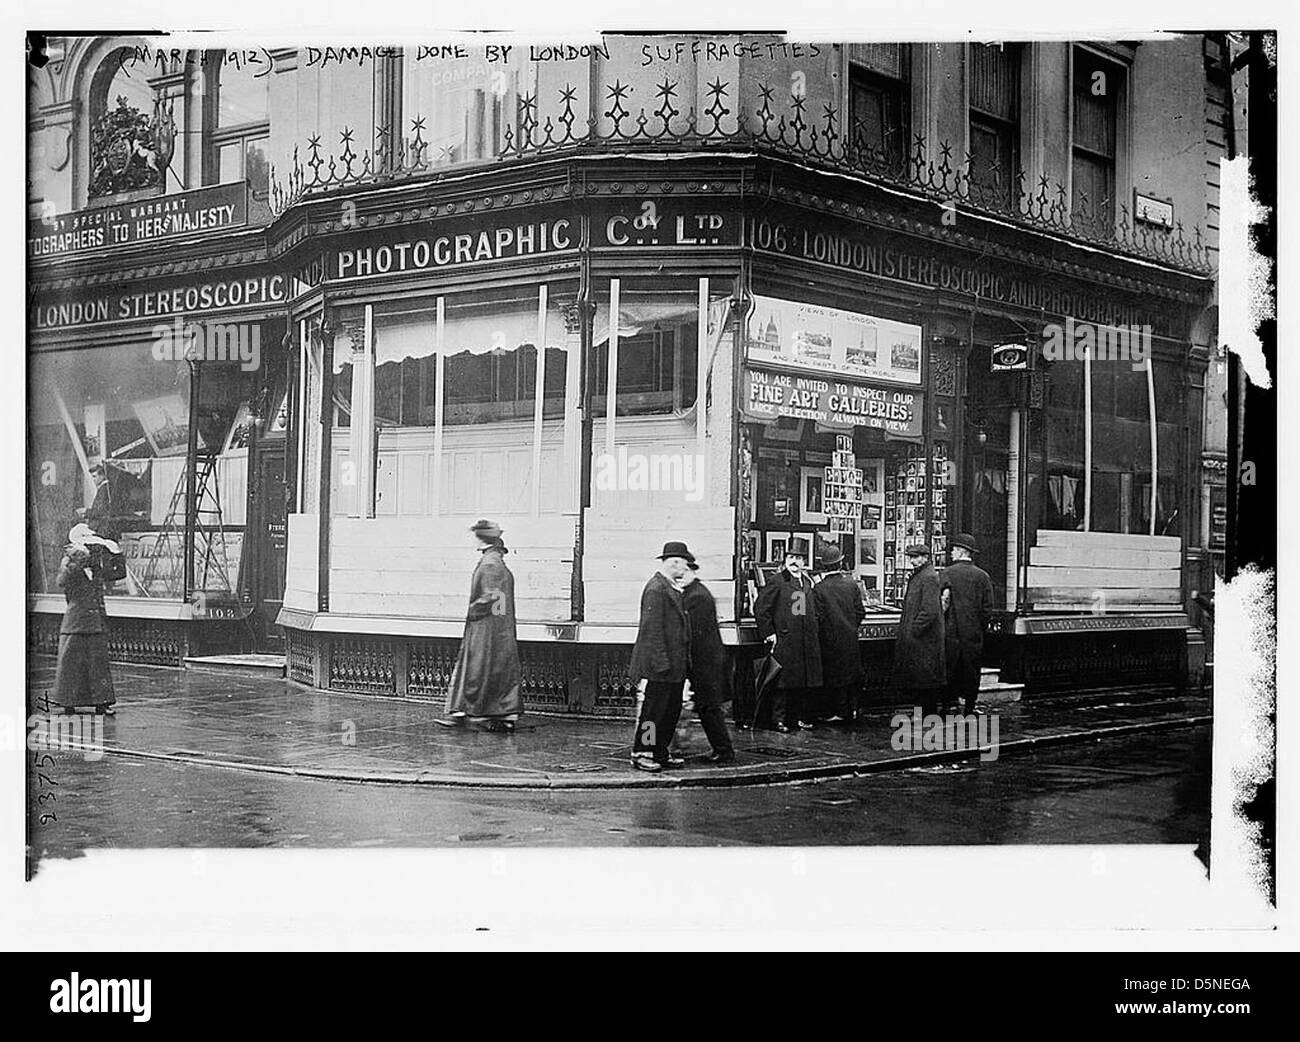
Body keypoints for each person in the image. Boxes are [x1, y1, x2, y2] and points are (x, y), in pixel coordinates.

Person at [442, 520, 523, 732]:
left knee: (478, 667)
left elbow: (492, 597)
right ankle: (494, 712)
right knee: (491, 667)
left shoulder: (490, 564)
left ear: (483, 540)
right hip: (497, 626)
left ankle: (468, 710)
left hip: (488, 627)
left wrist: (474, 611)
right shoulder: (495, 561)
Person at [628, 542, 694, 772]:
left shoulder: (670, 587)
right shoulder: (656, 589)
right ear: (673, 562)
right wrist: (661, 663)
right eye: (683, 565)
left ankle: (659, 751)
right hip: (661, 667)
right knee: (653, 712)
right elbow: (652, 630)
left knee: (669, 712)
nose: (685, 570)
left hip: (674, 666)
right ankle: (642, 752)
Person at [51, 524, 117, 716]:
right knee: (71, 665)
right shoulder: (70, 561)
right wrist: (77, 557)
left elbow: (117, 574)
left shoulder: (95, 566)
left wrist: (116, 553)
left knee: (98, 666)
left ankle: (102, 703)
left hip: (94, 622)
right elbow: (62, 581)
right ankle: (67, 703)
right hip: (77, 622)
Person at [754, 549, 822, 732]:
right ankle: (779, 720)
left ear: (804, 562)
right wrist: (769, 632)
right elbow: (761, 608)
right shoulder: (777, 581)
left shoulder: (807, 582)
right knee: (782, 683)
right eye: (791, 558)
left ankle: (796, 718)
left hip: (805, 641)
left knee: (800, 682)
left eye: (799, 558)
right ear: (785, 560)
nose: (794, 562)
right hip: (785, 639)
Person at [678, 559, 736, 764]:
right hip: (707, 662)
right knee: (707, 708)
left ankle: (724, 751)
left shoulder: (696, 596)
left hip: (705, 664)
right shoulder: (697, 592)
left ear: (692, 572)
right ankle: (722, 749)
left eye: (684, 572)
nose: (680, 576)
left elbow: (694, 635)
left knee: (709, 709)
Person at [939, 533, 995, 715]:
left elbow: (942, 603)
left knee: (949, 669)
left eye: (954, 549)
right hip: (973, 634)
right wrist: (980, 627)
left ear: (962, 551)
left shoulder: (947, 573)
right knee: (971, 671)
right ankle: (970, 707)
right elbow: (988, 608)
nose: (951, 553)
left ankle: (947, 706)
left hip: (950, 632)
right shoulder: (983, 576)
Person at [812, 545, 866, 724]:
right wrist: (850, 627)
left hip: (828, 641)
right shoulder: (851, 585)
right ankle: (850, 710)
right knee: (850, 676)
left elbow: (817, 617)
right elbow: (860, 612)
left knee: (832, 677)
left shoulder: (819, 588)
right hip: (850, 638)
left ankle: (835, 712)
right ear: (840, 563)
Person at [893, 543, 946, 716]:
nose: (912, 561)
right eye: (911, 557)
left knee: (925, 680)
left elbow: (929, 610)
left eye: (916, 557)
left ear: (925, 557)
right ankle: (923, 713)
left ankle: (926, 714)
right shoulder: (921, 575)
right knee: (920, 679)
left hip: (924, 640)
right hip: (921, 639)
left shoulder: (928, 577)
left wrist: (914, 630)